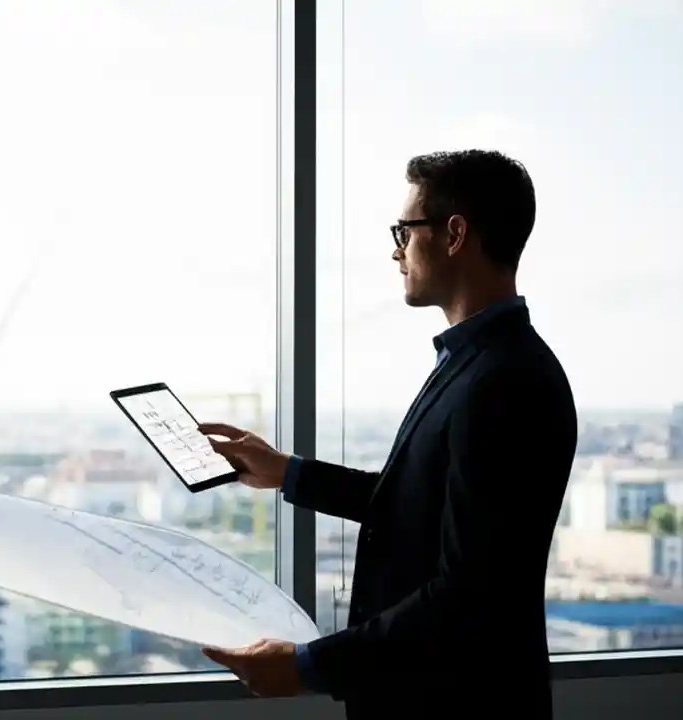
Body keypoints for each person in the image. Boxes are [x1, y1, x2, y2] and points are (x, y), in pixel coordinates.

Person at [198, 149, 577, 718]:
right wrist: (289, 472)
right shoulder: (476, 363)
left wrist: (307, 666)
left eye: (405, 229)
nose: (395, 249)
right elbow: (418, 502)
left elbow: (466, 594)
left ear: (454, 235)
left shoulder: (506, 381)